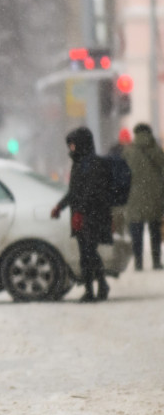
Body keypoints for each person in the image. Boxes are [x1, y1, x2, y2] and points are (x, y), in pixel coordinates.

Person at [51, 126, 113, 301]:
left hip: (91, 217)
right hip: (84, 216)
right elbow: (74, 192)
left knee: (87, 254)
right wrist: (60, 206)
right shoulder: (80, 163)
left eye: (73, 144)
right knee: (89, 253)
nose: (71, 148)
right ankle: (100, 286)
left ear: (81, 144)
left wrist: (80, 212)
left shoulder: (90, 164)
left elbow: (90, 192)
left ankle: (91, 291)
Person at [123, 122, 164, 270]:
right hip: (155, 197)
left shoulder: (129, 151)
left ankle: (138, 262)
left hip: (134, 197)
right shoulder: (157, 150)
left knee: (136, 232)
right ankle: (156, 261)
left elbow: (123, 174)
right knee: (155, 231)